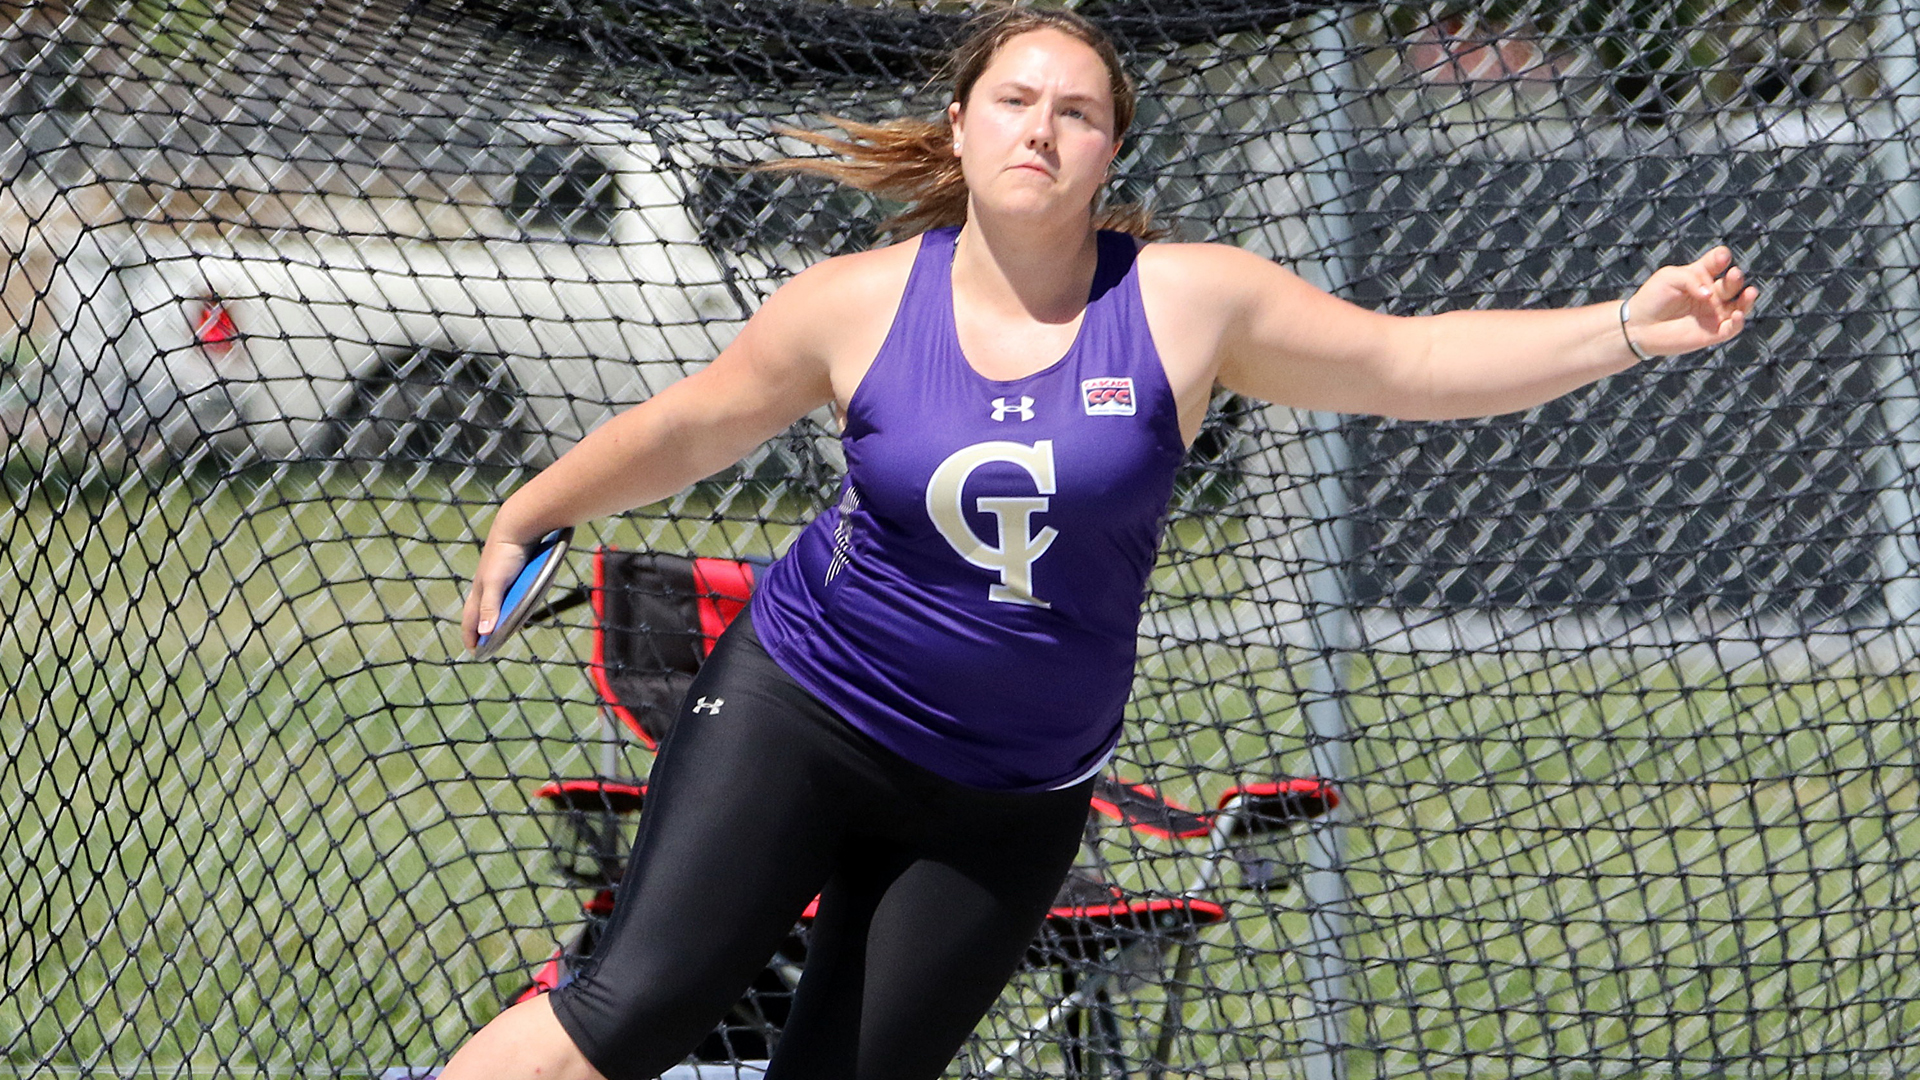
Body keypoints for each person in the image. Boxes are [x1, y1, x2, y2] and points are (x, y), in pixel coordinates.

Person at [447, 7, 1758, 1080]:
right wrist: (529, 509)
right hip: (807, 718)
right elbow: (689, 430)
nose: (1043, 128)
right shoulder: (852, 302)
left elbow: (1409, 359)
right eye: (1016, 100)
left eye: (1078, 111)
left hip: (1005, 797)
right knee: (624, 1020)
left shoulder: (1190, 303)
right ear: (960, 127)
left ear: (1111, 151)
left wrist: (1627, 327)